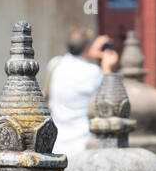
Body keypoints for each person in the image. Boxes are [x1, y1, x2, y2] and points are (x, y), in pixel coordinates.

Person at [47, 29, 119, 160]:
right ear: (87, 47)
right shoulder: (93, 72)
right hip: (82, 145)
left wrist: (89, 51)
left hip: (56, 144)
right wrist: (107, 67)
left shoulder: (55, 64)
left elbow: (75, 57)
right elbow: (110, 96)